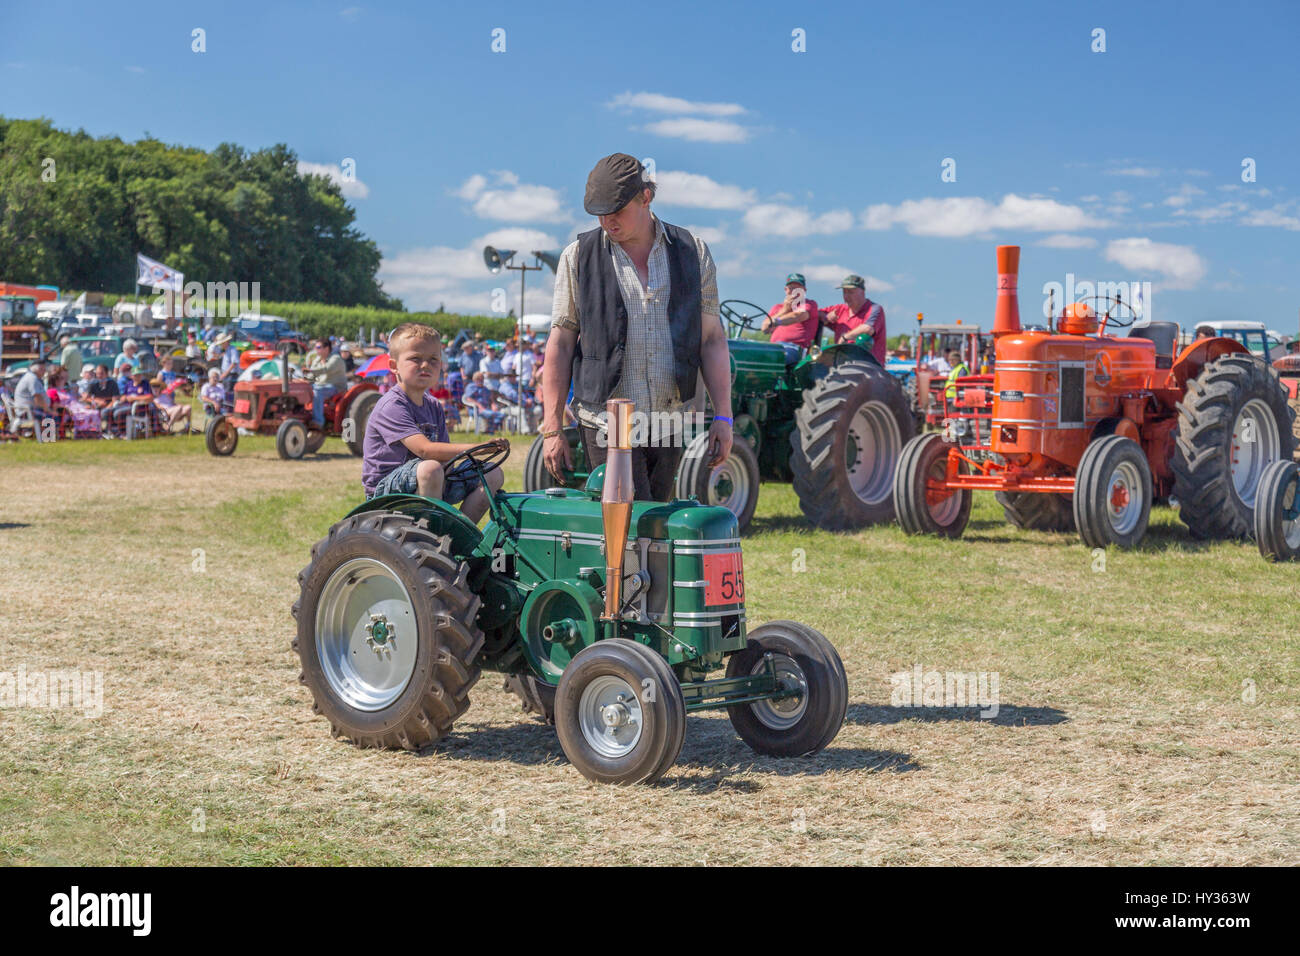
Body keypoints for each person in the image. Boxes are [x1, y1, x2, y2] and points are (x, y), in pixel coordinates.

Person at [542, 152, 731, 499]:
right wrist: (552, 427)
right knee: (626, 526)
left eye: (617, 213)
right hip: (606, 421)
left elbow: (712, 340)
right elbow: (561, 344)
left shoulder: (693, 251)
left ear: (646, 197)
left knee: (656, 526)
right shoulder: (577, 256)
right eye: (600, 215)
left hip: (669, 419)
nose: (607, 223)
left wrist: (724, 416)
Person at [361, 322, 507, 522]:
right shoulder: (392, 405)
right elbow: (425, 450)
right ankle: (432, 539)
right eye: (415, 359)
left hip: (433, 478)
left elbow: (445, 457)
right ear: (394, 366)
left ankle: (459, 536)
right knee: (430, 468)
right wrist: (478, 448)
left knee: (492, 472)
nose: (425, 365)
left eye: (433, 360)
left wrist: (479, 457)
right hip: (387, 490)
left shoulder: (434, 406)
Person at [819, 274, 887, 364]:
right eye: (844, 292)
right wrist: (826, 317)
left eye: (850, 292)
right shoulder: (839, 310)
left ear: (862, 292)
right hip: (842, 366)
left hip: (869, 368)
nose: (846, 296)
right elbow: (813, 314)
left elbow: (868, 329)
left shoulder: (875, 309)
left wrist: (845, 337)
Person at [762, 273, 820, 349]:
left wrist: (776, 322)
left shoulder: (809, 304)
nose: (794, 292)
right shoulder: (777, 307)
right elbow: (764, 328)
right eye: (791, 288)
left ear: (804, 291)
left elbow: (798, 316)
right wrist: (784, 310)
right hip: (774, 346)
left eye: (797, 289)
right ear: (786, 290)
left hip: (795, 348)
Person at [302, 338, 348, 426]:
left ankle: (318, 421)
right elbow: (312, 375)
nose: (316, 349)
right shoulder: (317, 359)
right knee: (303, 388)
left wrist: (309, 371)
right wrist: (304, 379)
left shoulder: (336, 359)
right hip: (321, 385)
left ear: (326, 349)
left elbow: (326, 369)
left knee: (318, 391)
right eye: (315, 347)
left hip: (336, 387)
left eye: (318, 347)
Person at [13, 359, 54, 426]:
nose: (44, 372)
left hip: (28, 411)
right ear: (37, 369)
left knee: (54, 416)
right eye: (42, 370)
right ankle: (49, 436)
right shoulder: (32, 379)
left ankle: (48, 436)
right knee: (54, 418)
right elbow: (37, 399)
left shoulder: (31, 377)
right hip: (27, 413)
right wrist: (48, 410)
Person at [86, 363, 121, 436]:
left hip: (110, 407)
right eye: (97, 374)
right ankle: (88, 432)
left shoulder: (113, 383)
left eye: (101, 373)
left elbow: (115, 399)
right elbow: (87, 398)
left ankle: (105, 432)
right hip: (96, 406)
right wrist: (97, 401)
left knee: (104, 412)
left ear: (107, 374)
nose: (99, 376)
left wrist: (106, 407)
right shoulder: (93, 383)